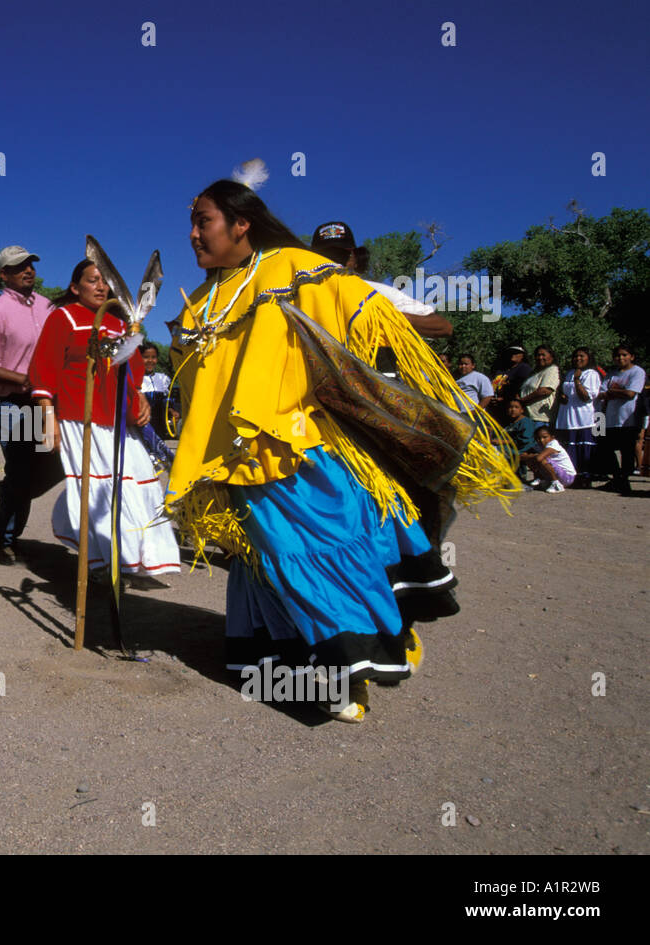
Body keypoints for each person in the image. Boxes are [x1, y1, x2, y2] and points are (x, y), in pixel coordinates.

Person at [167, 173, 515, 723]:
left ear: (241, 224)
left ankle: (367, 653)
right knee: (279, 563)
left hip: (299, 448)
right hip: (237, 462)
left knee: (340, 545)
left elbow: (356, 301)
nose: (192, 234)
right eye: (191, 223)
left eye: (202, 221)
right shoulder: (198, 306)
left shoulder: (288, 268)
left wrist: (394, 338)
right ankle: (318, 668)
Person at [29, 260, 181, 580]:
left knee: (136, 487)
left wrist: (138, 398)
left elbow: (133, 371)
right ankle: (100, 562)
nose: (101, 287)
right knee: (94, 491)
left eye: (105, 281)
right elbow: (45, 367)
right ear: (75, 288)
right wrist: (47, 417)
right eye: (93, 280)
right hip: (78, 418)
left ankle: (129, 558)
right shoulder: (63, 317)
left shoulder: (120, 324)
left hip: (117, 422)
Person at [0, 245, 62, 561]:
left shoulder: (48, 307)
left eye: (31, 264)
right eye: (19, 266)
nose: (28, 270)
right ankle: (4, 539)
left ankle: (12, 490)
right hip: (11, 403)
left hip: (45, 398)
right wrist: (25, 379)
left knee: (61, 461)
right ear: (3, 274)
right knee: (22, 471)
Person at [310, 221, 453, 338]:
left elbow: (443, 327)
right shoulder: (297, 295)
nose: (334, 263)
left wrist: (390, 317)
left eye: (341, 256)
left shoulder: (378, 293)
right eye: (325, 257)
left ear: (355, 259)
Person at [595, 345, 644, 494]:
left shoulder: (637, 372)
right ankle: (616, 478)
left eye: (624, 355)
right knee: (607, 449)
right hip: (610, 417)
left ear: (632, 356)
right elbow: (601, 393)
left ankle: (624, 480)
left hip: (628, 418)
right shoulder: (611, 374)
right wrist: (615, 392)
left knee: (627, 451)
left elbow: (630, 393)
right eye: (617, 355)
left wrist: (612, 392)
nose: (620, 358)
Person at [554, 347, 601, 489]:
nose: (578, 359)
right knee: (568, 448)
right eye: (575, 356)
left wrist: (577, 380)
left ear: (589, 358)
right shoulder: (569, 373)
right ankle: (570, 477)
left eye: (582, 356)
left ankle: (584, 478)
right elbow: (565, 393)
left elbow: (586, 397)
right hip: (566, 416)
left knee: (582, 448)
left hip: (582, 418)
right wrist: (561, 396)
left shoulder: (591, 374)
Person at [520, 425, 576, 493]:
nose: (541, 440)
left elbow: (539, 458)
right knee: (531, 458)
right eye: (538, 438)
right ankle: (540, 479)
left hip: (567, 477)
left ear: (552, 437)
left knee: (542, 460)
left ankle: (557, 485)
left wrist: (533, 456)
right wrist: (531, 456)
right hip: (557, 474)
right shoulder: (539, 445)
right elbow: (522, 456)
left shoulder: (553, 445)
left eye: (545, 437)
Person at [489, 345, 532, 422]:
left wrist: (504, 398)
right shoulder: (500, 369)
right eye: (510, 352)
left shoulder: (524, 368)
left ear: (523, 355)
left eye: (516, 352)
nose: (513, 355)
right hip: (495, 408)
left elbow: (519, 387)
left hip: (511, 408)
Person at [518, 345, 560, 425]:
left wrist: (522, 400)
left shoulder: (552, 370)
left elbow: (545, 391)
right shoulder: (534, 373)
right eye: (538, 355)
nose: (540, 357)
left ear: (551, 356)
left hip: (540, 418)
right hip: (528, 416)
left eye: (543, 355)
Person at [500, 398, 536, 480]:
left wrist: (503, 442)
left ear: (522, 410)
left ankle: (518, 476)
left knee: (500, 451)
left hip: (521, 449)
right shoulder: (509, 422)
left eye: (516, 407)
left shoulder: (526, 422)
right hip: (509, 446)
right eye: (510, 407)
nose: (513, 410)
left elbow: (525, 440)